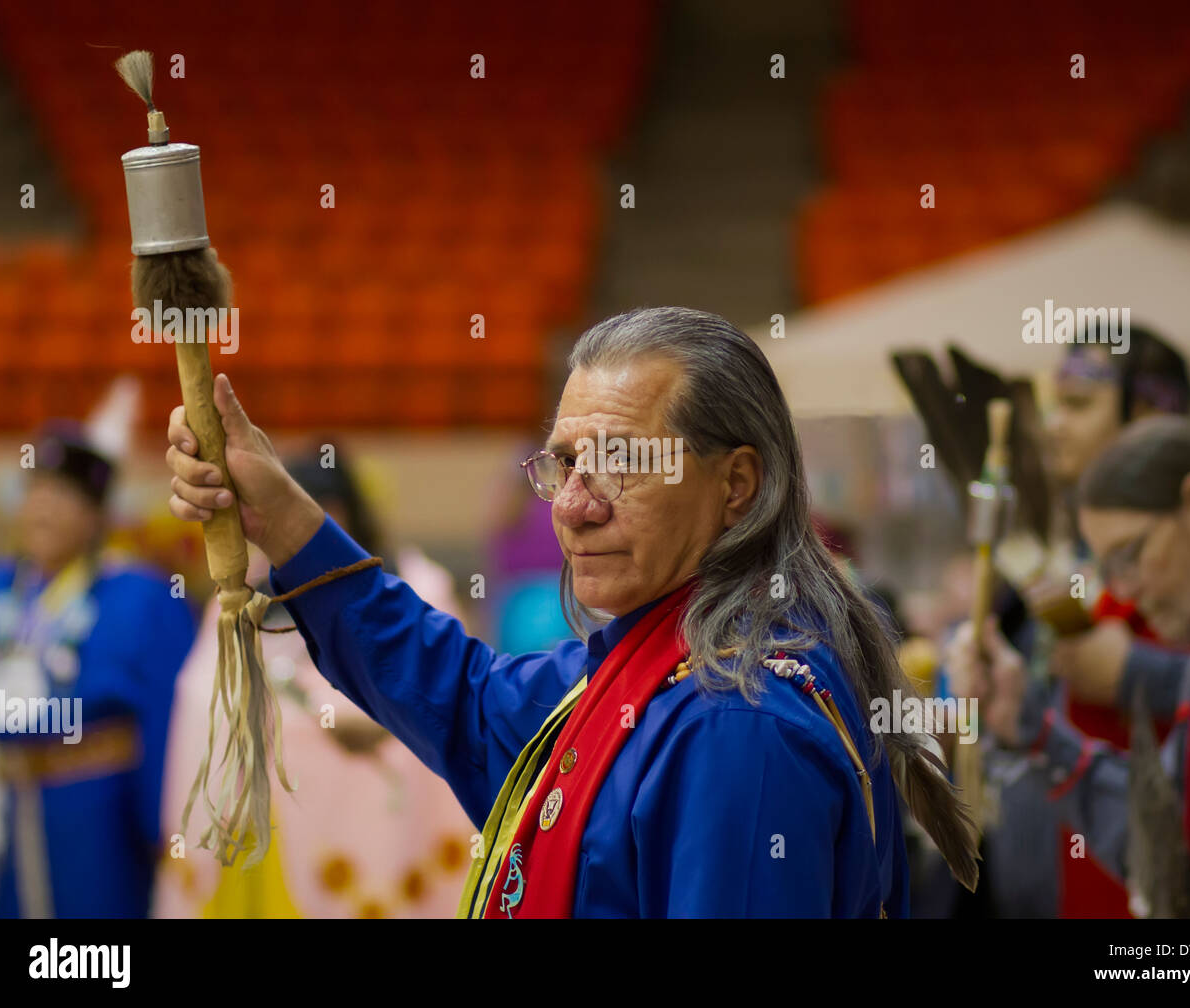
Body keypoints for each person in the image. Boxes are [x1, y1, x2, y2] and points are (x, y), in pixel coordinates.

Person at [164, 306, 978, 917]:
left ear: (737, 486)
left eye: (620, 463)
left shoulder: (739, 723)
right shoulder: (658, 661)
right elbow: (468, 700)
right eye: (563, 464)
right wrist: (286, 522)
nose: (575, 507)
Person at [952, 416, 1190, 917]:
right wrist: (1031, 730)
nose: (1123, 592)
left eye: (1130, 555)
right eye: (1108, 570)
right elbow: (1162, 841)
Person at [154, 450, 475, 918]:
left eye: (329, 507)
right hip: (280, 815)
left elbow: (444, 685)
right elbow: (204, 690)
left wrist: (367, 720)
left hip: (383, 816)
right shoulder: (245, 597)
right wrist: (291, 713)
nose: (318, 522)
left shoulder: (418, 585)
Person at [0, 421, 195, 917]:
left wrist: (163, 831)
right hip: (3, 810)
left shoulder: (141, 596)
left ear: (97, 515)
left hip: (99, 819)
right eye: (35, 491)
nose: (44, 507)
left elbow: (167, 719)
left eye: (63, 494)